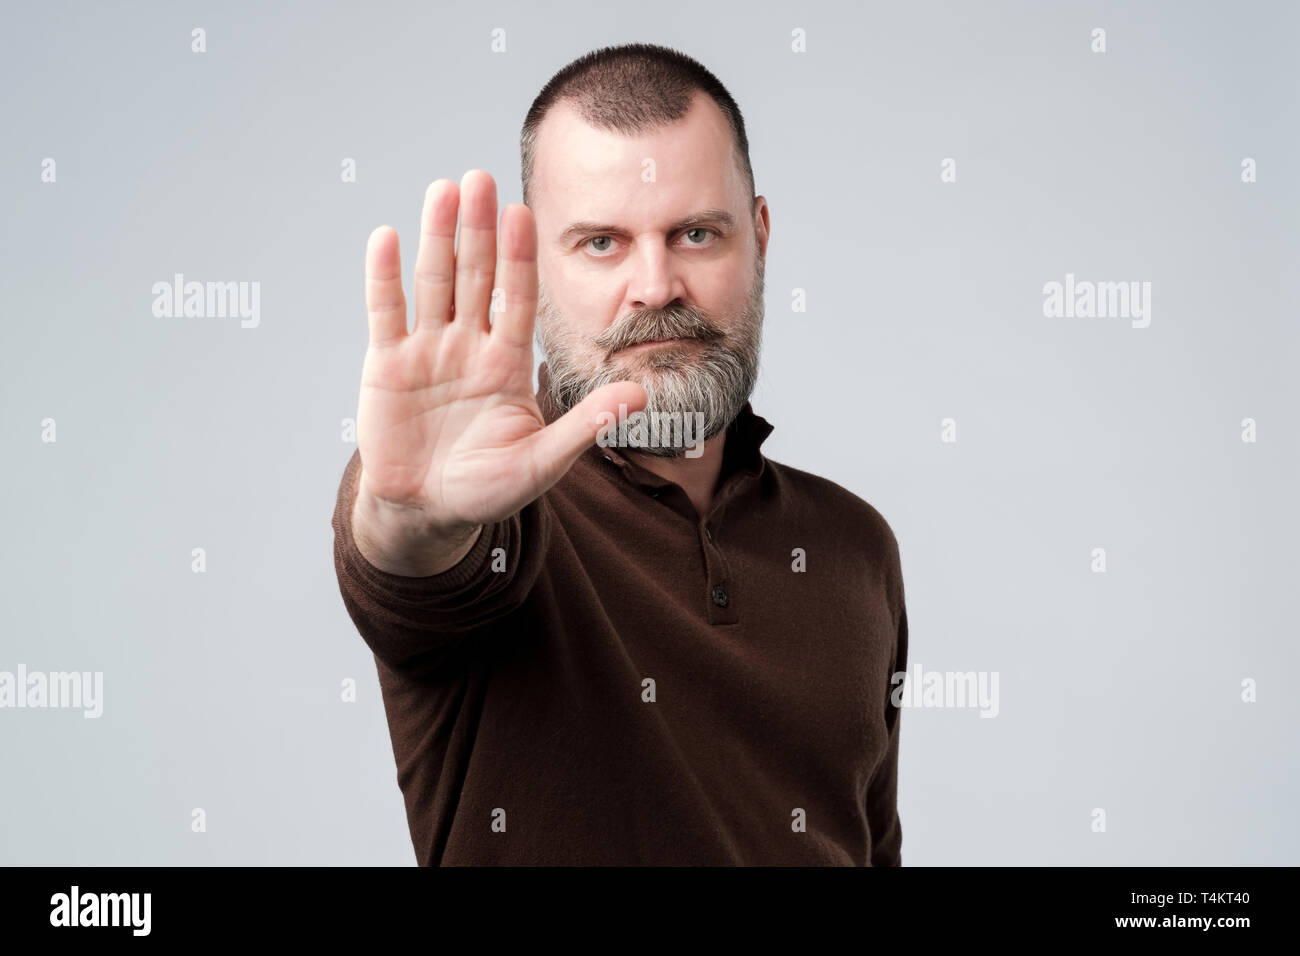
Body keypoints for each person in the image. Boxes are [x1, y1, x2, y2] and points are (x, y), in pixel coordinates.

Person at [331, 42, 908, 865]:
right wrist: (406, 515)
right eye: (600, 243)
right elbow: (414, 567)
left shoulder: (855, 545)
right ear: (532, 268)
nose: (656, 285)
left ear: (761, 236)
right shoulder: (500, 525)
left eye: (697, 234)